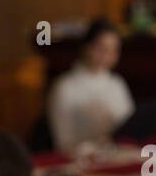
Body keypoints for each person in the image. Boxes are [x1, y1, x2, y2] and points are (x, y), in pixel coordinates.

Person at [46, 17, 135, 155]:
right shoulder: (65, 87)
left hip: (115, 154)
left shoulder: (117, 83)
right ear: (87, 48)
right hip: (81, 159)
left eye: (114, 50)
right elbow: (64, 143)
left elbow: (130, 126)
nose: (108, 56)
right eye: (102, 49)